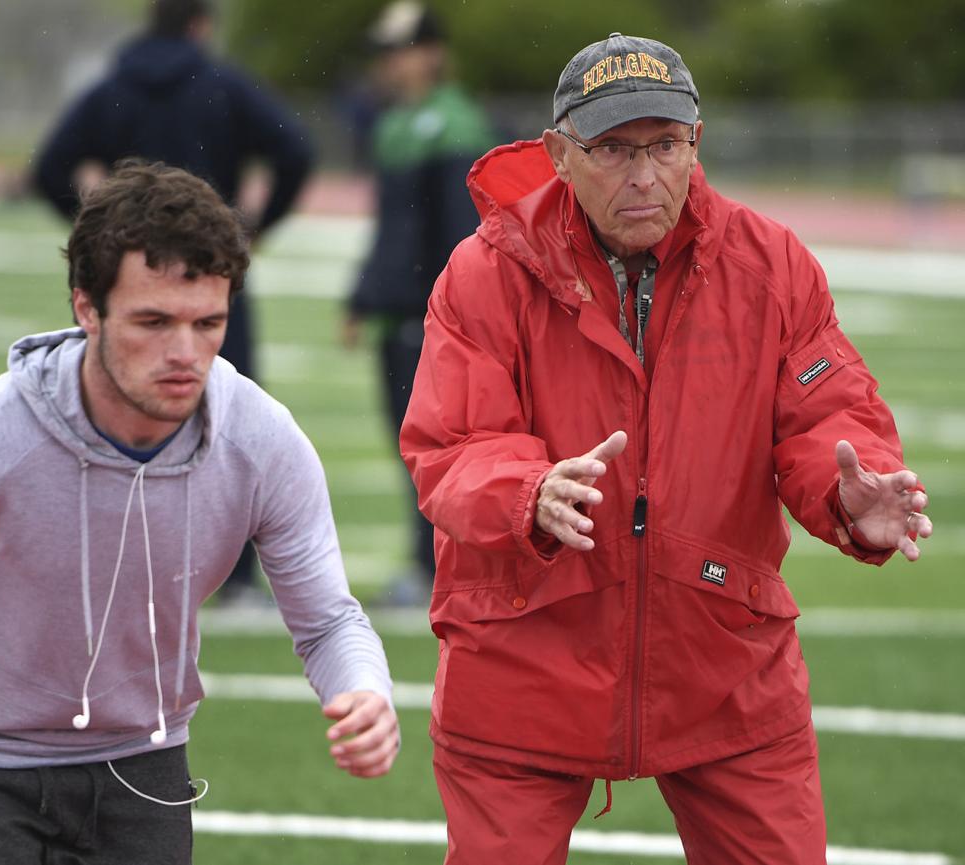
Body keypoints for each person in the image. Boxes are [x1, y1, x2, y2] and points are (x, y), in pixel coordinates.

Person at [400, 32, 933, 864]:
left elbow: (825, 415)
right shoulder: (484, 272)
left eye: (663, 145)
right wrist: (527, 490)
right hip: (522, 652)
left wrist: (850, 497)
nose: (644, 176)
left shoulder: (773, 265)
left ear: (697, 144)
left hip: (724, 654)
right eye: (613, 149)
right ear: (559, 155)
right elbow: (453, 443)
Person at [0, 162, 400, 864]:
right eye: (153, 321)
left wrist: (363, 689)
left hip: (144, 760)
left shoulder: (261, 441)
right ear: (86, 308)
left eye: (209, 323)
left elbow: (328, 619)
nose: (185, 353)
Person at [33, 0, 313, 605]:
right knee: (227, 420)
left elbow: (48, 166)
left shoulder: (113, 87)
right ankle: (230, 575)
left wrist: (98, 240)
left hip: (131, 285)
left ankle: (118, 558)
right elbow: (297, 151)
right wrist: (254, 228)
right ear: (201, 26)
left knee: (114, 413)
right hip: (210, 281)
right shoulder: (222, 84)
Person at [344, 1, 495, 606]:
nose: (390, 64)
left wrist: (453, 311)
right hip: (398, 309)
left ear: (432, 53)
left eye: (401, 50)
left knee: (438, 444)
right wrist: (364, 295)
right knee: (410, 442)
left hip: (430, 317)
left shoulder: (456, 126)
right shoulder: (396, 124)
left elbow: (459, 237)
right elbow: (390, 233)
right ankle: (425, 560)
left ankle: (435, 564)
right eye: (385, 52)